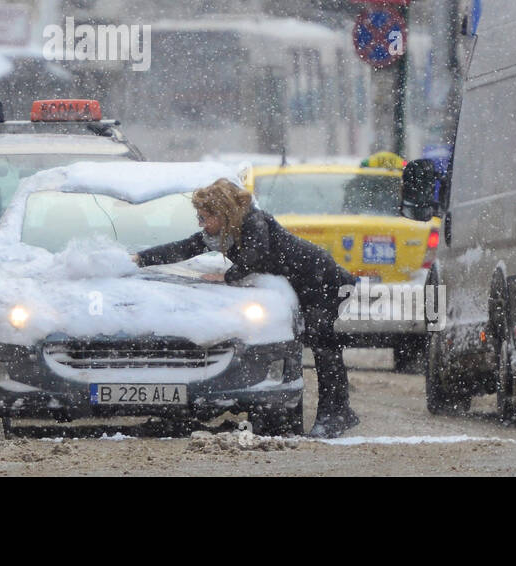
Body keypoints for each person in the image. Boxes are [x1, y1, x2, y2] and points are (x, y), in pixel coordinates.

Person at [132, 178, 360, 438]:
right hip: (303, 284)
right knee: (310, 342)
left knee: (323, 345)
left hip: (322, 280)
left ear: (223, 213)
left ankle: (336, 413)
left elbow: (256, 255)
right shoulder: (222, 235)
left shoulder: (254, 222)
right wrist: (142, 258)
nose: (201, 223)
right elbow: (185, 247)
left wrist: (226, 277)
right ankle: (325, 414)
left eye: (205, 217)